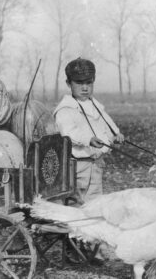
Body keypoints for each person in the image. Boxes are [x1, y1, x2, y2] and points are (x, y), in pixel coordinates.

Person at [54, 57, 124, 206]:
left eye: (88, 83)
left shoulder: (94, 104)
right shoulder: (66, 109)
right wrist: (88, 139)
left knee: (95, 199)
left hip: (96, 163)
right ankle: (74, 226)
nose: (85, 88)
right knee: (78, 200)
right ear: (68, 83)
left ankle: (89, 225)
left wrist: (116, 133)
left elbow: (106, 123)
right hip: (78, 165)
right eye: (79, 83)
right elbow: (68, 132)